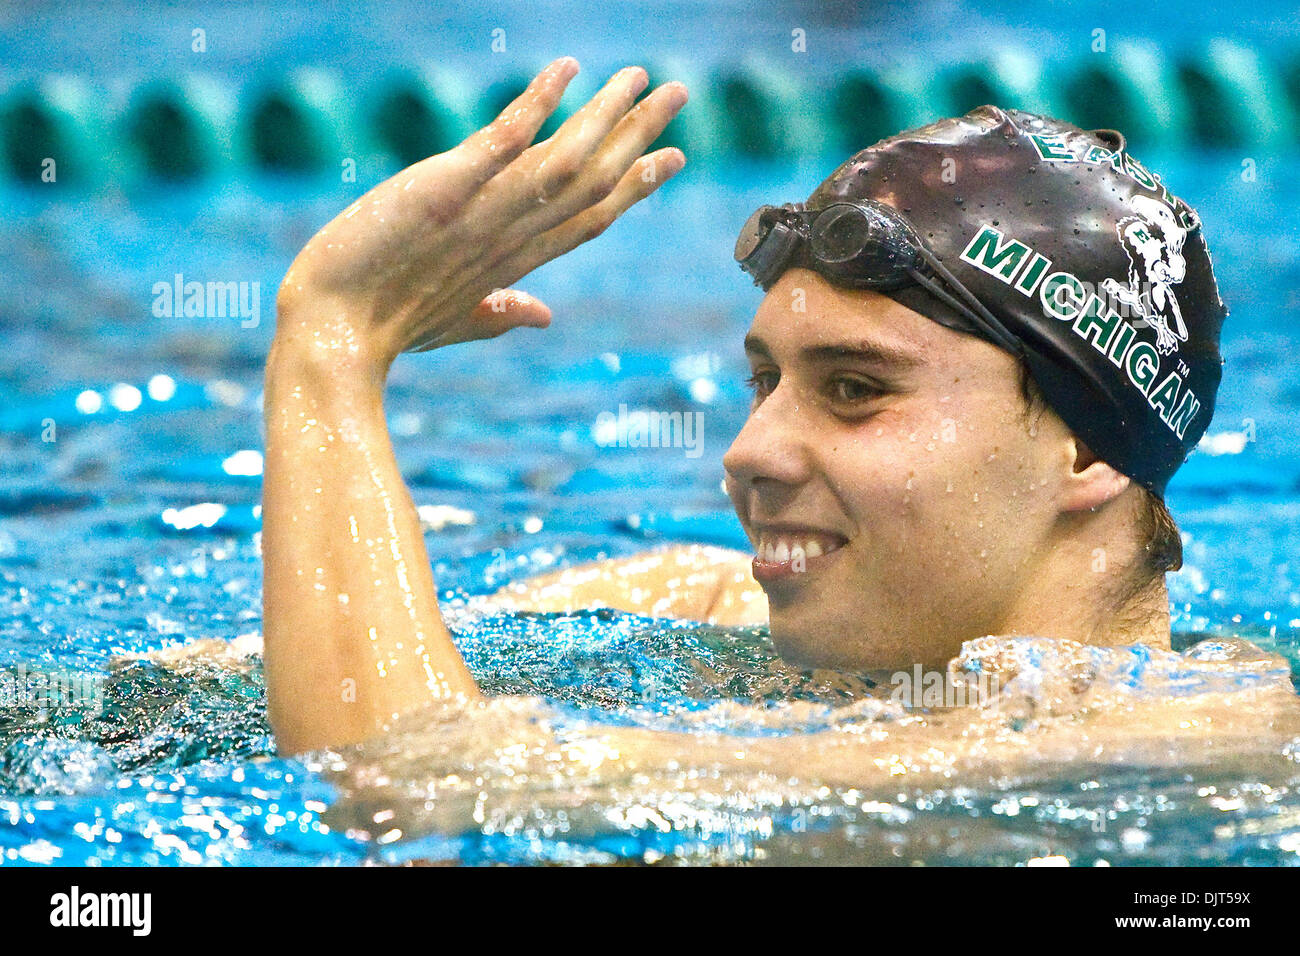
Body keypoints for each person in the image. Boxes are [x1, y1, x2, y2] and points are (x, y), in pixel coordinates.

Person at [260, 56, 1234, 756]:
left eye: (855, 389)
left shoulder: (1128, 745)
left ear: (1089, 450)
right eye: (763, 382)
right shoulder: (706, 598)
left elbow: (402, 783)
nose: (747, 452)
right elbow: (229, 676)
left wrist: (333, 344)